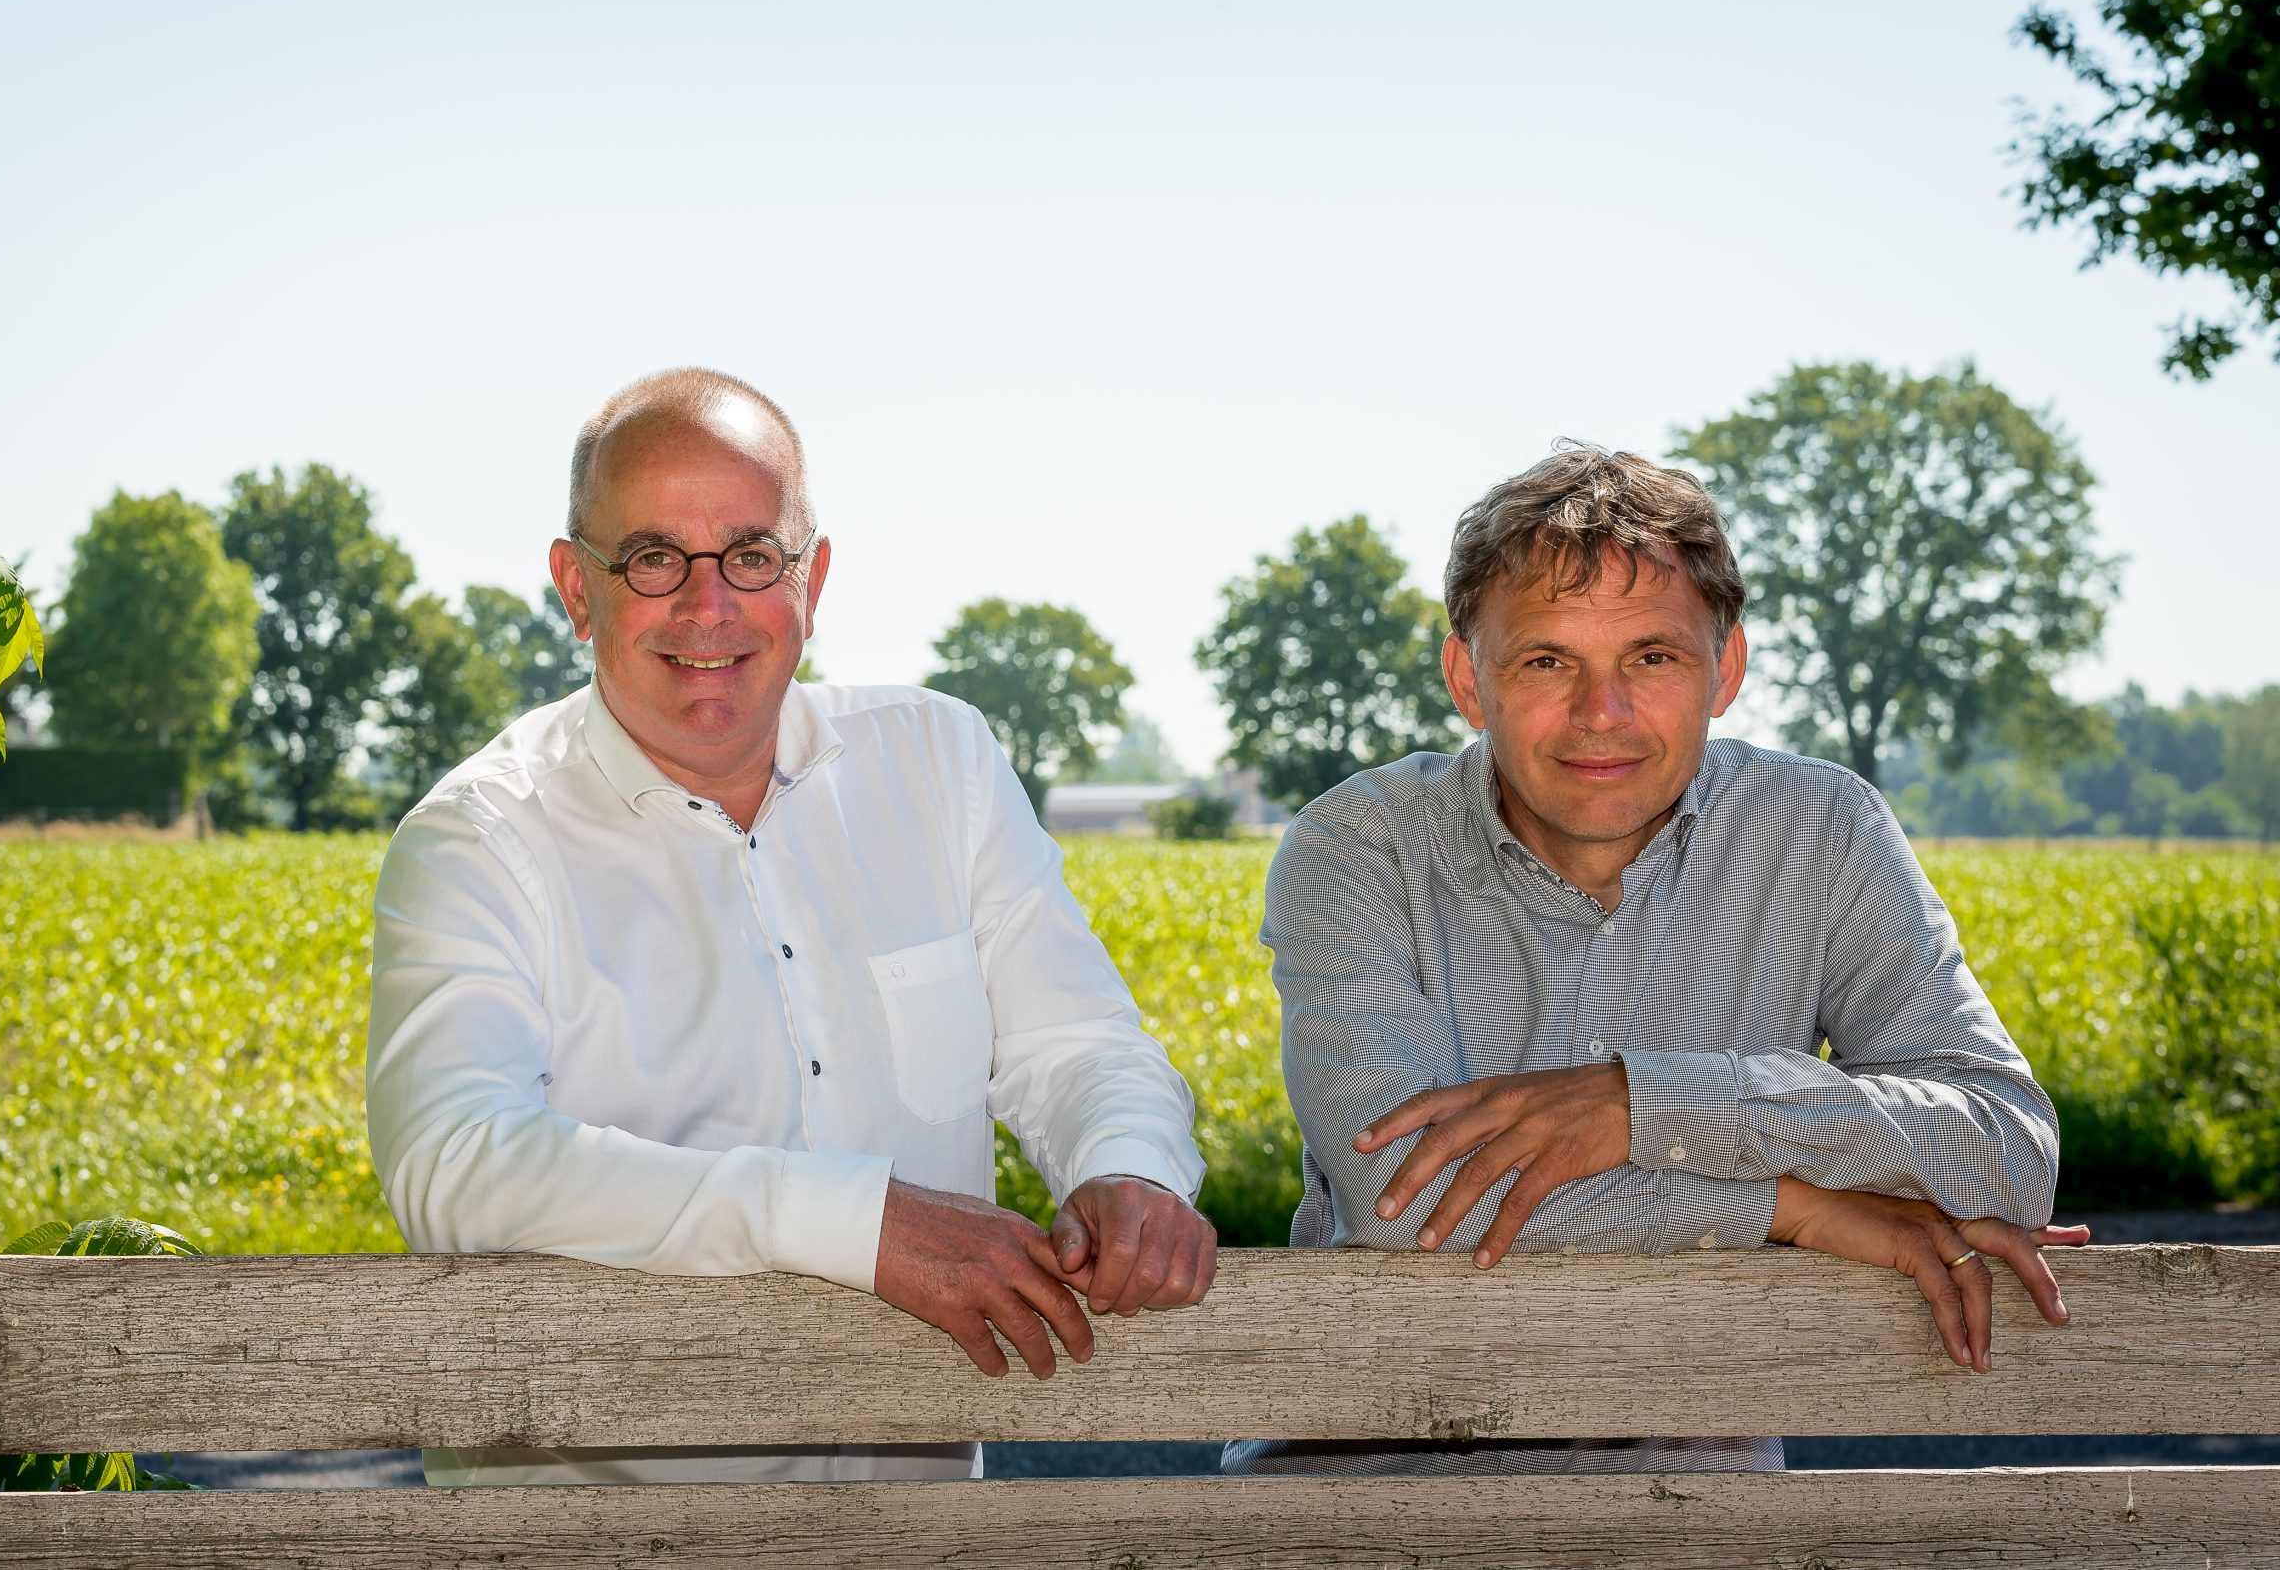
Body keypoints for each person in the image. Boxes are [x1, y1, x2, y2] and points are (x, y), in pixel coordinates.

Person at [368, 367, 1214, 1487]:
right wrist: (848, 1221)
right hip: (597, 1542)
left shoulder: (940, 761)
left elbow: (1078, 1044)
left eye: (751, 555)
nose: (707, 605)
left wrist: (1131, 1168)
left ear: (811, 578)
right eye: (654, 557)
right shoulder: (479, 836)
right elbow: (454, 1161)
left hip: (913, 1535)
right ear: (577, 589)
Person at [1227, 445, 2088, 1478]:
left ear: (1726, 668)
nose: (1602, 712)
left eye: (1651, 657)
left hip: (1698, 1518)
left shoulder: (1821, 832)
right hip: (1366, 1509)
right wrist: (1791, 1206)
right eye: (1546, 661)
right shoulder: (1360, 846)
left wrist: (1645, 1104)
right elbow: (1406, 1200)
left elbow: (2006, 1152)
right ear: (1468, 679)